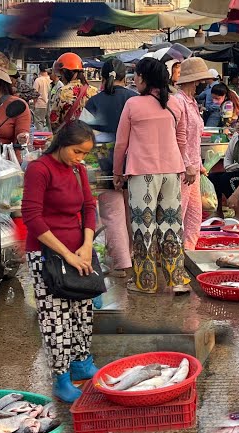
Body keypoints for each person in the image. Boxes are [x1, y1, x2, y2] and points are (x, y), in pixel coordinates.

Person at [21, 121, 100, 402]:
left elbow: (89, 207)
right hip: (47, 254)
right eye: (77, 151)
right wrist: (66, 253)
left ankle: (82, 364)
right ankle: (61, 378)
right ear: (62, 144)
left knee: (82, 310)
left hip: (80, 251)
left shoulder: (78, 170)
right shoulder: (39, 169)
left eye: (84, 154)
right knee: (57, 319)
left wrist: (87, 245)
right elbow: (31, 217)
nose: (80, 158)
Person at [114, 57, 189, 295]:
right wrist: (182, 164)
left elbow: (120, 144)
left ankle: (146, 283)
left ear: (145, 78)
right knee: (172, 225)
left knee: (143, 226)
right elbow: (182, 139)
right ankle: (176, 280)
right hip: (171, 172)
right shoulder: (175, 104)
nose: (134, 80)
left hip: (142, 173)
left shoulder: (133, 104)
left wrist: (118, 172)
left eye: (136, 75)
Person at [82, 57, 137, 277]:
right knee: (132, 214)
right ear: (126, 77)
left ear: (102, 78)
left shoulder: (94, 102)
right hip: (134, 164)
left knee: (112, 215)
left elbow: (83, 134)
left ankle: (120, 263)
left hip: (104, 166)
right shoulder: (135, 99)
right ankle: (132, 255)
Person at [173, 57, 213, 249]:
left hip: (194, 166)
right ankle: (171, 251)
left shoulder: (192, 102)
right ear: (193, 81)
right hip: (182, 167)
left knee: (195, 213)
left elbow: (194, 138)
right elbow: (178, 137)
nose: (200, 85)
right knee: (178, 212)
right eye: (199, 81)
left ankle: (188, 249)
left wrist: (198, 165)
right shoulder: (178, 101)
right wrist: (187, 163)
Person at [50, 53, 95, 131]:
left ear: (65, 72)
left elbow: (54, 120)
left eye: (61, 73)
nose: (61, 77)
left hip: (69, 137)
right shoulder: (94, 91)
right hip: (88, 137)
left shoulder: (63, 91)